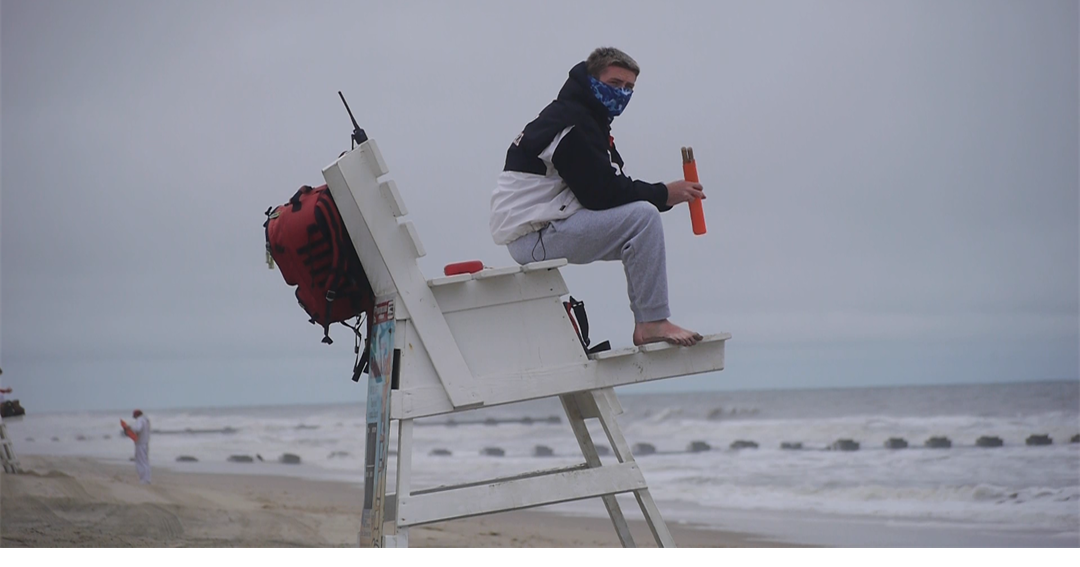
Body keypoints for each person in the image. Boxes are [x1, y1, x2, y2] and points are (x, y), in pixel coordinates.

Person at [490, 47, 706, 347]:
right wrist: (664, 194)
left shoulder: (583, 118)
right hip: (535, 236)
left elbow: (611, 186)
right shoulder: (574, 124)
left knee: (640, 222)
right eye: (615, 83)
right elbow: (601, 193)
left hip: (542, 228)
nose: (623, 93)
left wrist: (661, 196)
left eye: (629, 88)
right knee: (643, 219)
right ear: (592, 80)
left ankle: (650, 321)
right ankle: (652, 323)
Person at [124, 409, 152, 484]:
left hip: (140, 443)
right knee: (145, 461)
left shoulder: (140, 420)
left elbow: (138, 428)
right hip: (145, 442)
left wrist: (129, 427)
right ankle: (147, 478)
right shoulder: (146, 420)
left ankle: (144, 479)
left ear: (136, 415)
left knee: (140, 461)